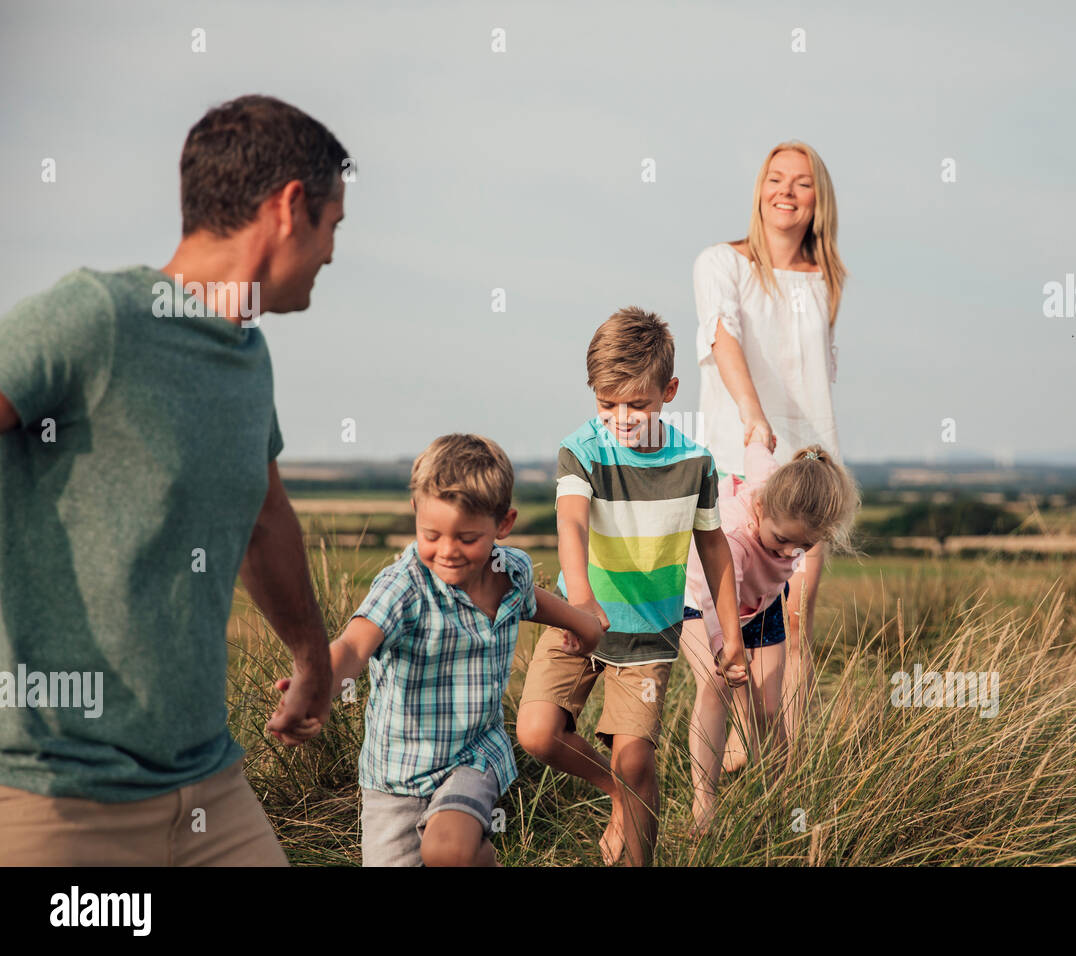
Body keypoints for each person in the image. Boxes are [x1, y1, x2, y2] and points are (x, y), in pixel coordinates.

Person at [0, 94, 345, 865]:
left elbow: (265, 517)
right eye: (334, 226)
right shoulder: (96, 317)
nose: (332, 252)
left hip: (210, 791)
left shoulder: (247, 358)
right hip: (54, 799)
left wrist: (311, 658)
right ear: (290, 208)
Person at [272, 435, 606, 866]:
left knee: (448, 850)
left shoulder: (510, 570)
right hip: (395, 778)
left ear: (503, 524)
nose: (447, 551)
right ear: (415, 512)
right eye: (432, 534)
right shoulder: (403, 587)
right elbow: (355, 645)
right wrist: (315, 685)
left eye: (467, 538)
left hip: (474, 757)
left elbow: (531, 599)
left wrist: (583, 624)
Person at [514, 307, 746, 866]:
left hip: (648, 638)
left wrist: (730, 634)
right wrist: (581, 602)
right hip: (578, 620)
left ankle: (637, 835)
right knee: (538, 734)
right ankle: (619, 795)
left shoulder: (695, 462)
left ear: (668, 391)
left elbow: (714, 548)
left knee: (637, 760)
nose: (620, 417)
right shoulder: (583, 450)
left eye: (637, 404)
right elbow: (570, 520)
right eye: (606, 402)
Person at [692, 140, 849, 768]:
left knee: (798, 618)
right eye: (775, 179)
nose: (787, 191)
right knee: (733, 612)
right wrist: (752, 412)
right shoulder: (720, 263)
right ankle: (729, 730)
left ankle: (784, 768)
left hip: (811, 471)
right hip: (740, 456)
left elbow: (817, 377)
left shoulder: (828, 278)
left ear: (819, 200)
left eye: (803, 183)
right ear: (759, 189)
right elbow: (721, 336)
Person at [680, 440, 858, 833]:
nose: (789, 553)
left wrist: (756, 431)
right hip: (703, 602)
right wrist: (726, 646)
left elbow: (758, 455)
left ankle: (778, 799)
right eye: (781, 540)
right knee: (716, 683)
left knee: (767, 709)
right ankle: (704, 804)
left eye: (804, 546)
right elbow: (714, 595)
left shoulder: (776, 489)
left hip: (762, 607)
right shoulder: (731, 533)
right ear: (760, 507)